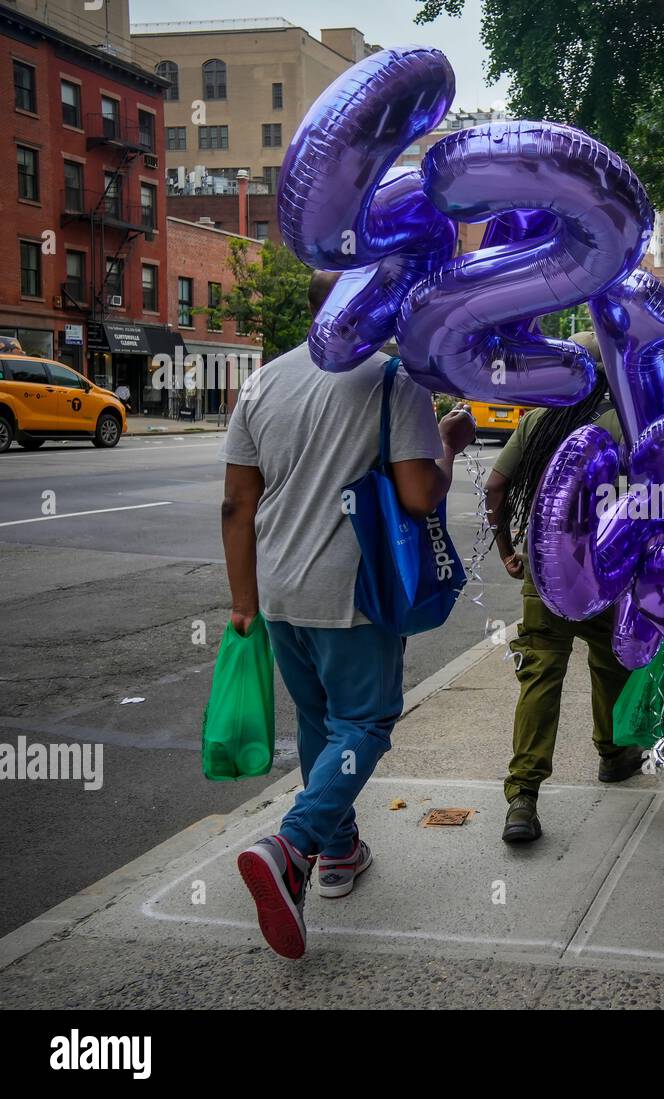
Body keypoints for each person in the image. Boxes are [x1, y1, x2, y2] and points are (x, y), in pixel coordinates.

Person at [221, 270, 475, 959]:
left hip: (278, 592)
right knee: (365, 721)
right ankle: (293, 843)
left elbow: (237, 503)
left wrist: (244, 602)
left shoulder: (262, 380)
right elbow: (419, 496)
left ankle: (337, 853)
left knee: (318, 721)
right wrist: (449, 444)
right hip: (355, 591)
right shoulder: (395, 379)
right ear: (367, 309)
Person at [483, 329, 643, 845]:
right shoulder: (627, 423)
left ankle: (523, 796)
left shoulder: (536, 420)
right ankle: (614, 755)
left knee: (540, 674)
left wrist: (509, 548)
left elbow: (495, 486)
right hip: (604, 570)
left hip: (544, 570)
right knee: (611, 660)